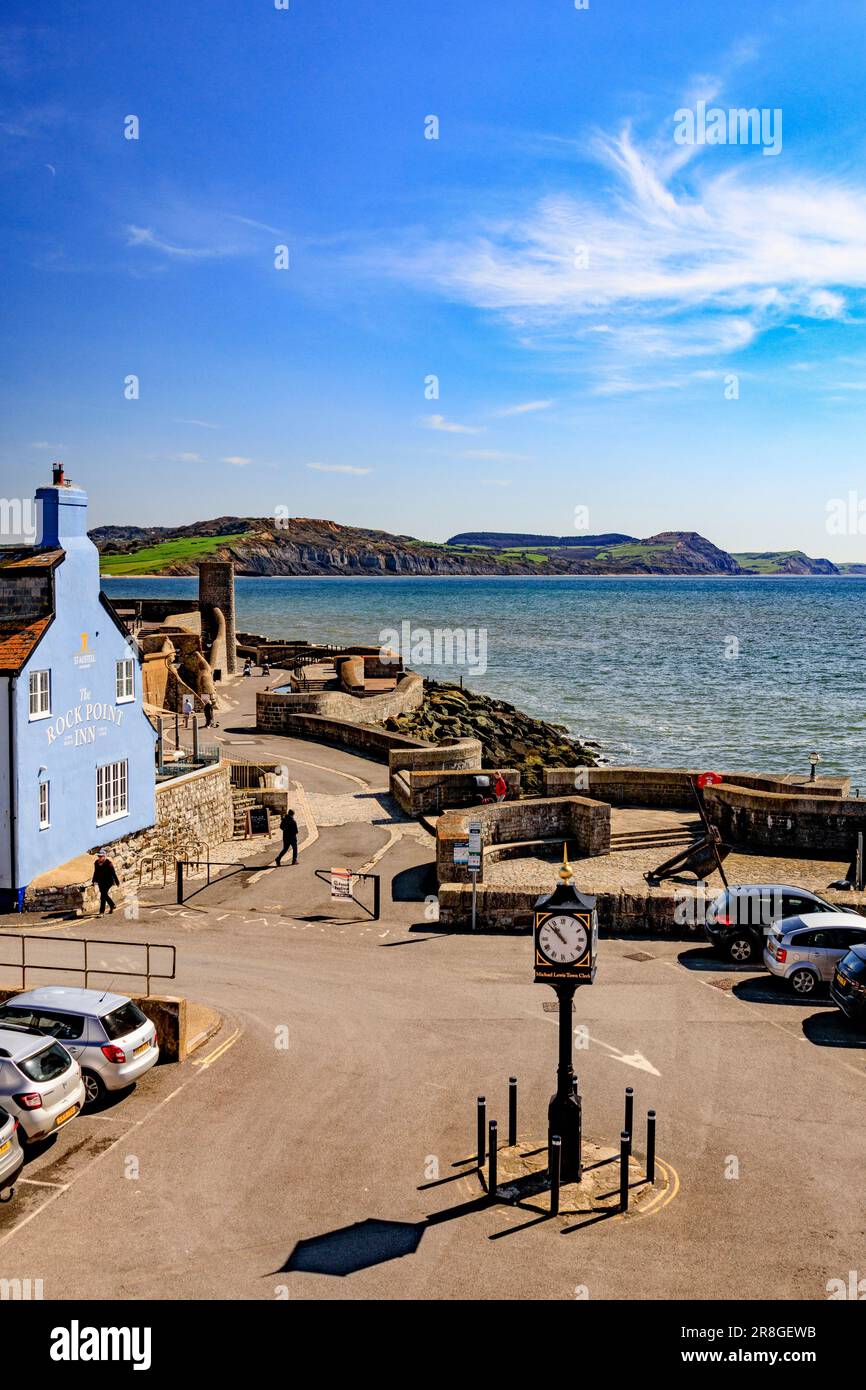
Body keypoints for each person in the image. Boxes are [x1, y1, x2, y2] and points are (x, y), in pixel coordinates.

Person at [92, 849, 119, 915]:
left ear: (104, 856)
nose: (99, 857)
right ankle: (112, 905)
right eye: (98, 856)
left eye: (101, 856)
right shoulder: (96, 863)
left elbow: (113, 873)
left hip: (108, 881)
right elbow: (95, 872)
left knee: (103, 896)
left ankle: (101, 912)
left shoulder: (109, 863)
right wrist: (93, 880)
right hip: (100, 881)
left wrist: (117, 882)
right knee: (104, 895)